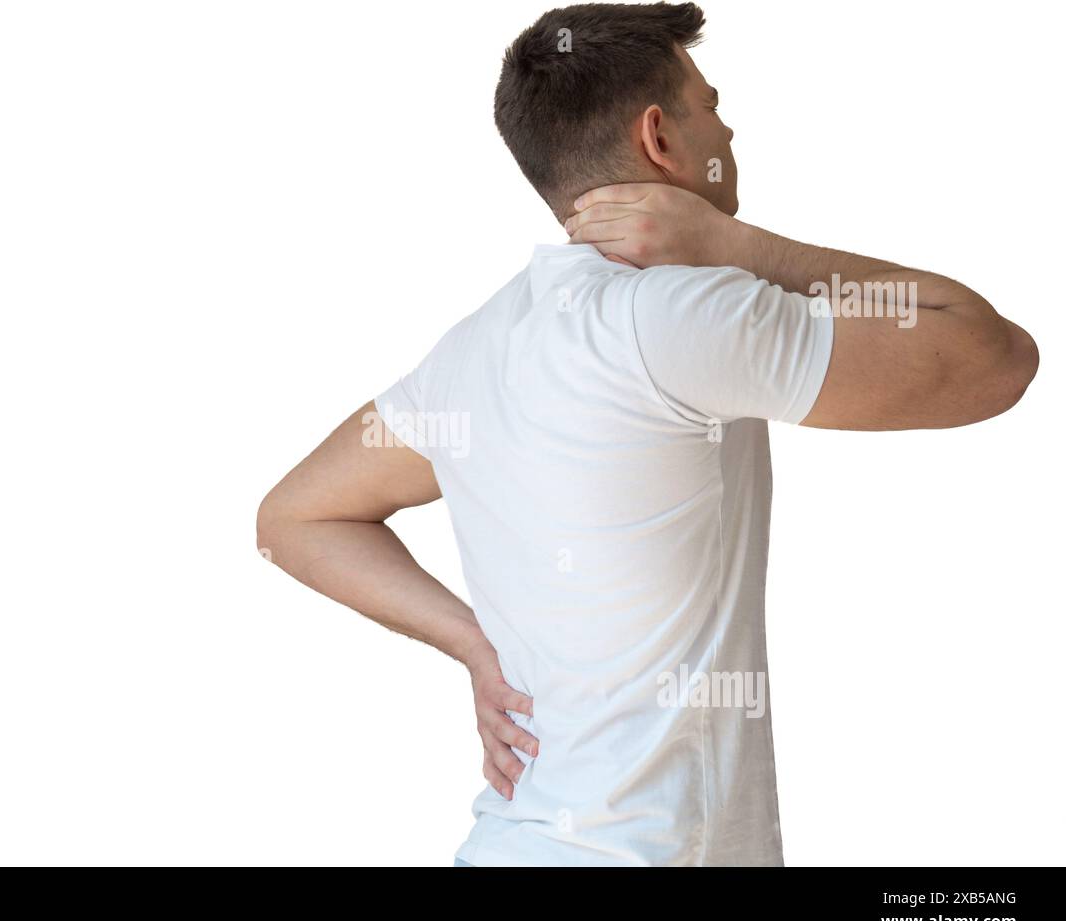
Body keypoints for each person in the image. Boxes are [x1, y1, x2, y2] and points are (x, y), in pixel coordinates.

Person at [255, 2, 1038, 866]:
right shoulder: (684, 313)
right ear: (661, 137)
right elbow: (994, 355)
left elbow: (297, 516)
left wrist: (475, 648)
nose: (729, 123)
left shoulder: (478, 348)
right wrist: (741, 246)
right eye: (710, 102)